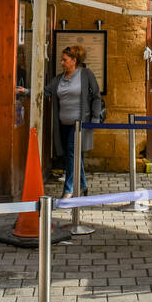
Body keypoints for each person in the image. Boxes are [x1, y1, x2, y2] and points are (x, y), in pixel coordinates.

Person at [44, 44, 103, 198]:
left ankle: (69, 189)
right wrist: (26, 91)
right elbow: (45, 91)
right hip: (63, 124)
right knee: (75, 156)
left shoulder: (86, 75)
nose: (62, 63)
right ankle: (83, 185)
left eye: (65, 60)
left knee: (72, 153)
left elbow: (97, 97)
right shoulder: (59, 79)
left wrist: (95, 119)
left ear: (74, 60)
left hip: (80, 124)